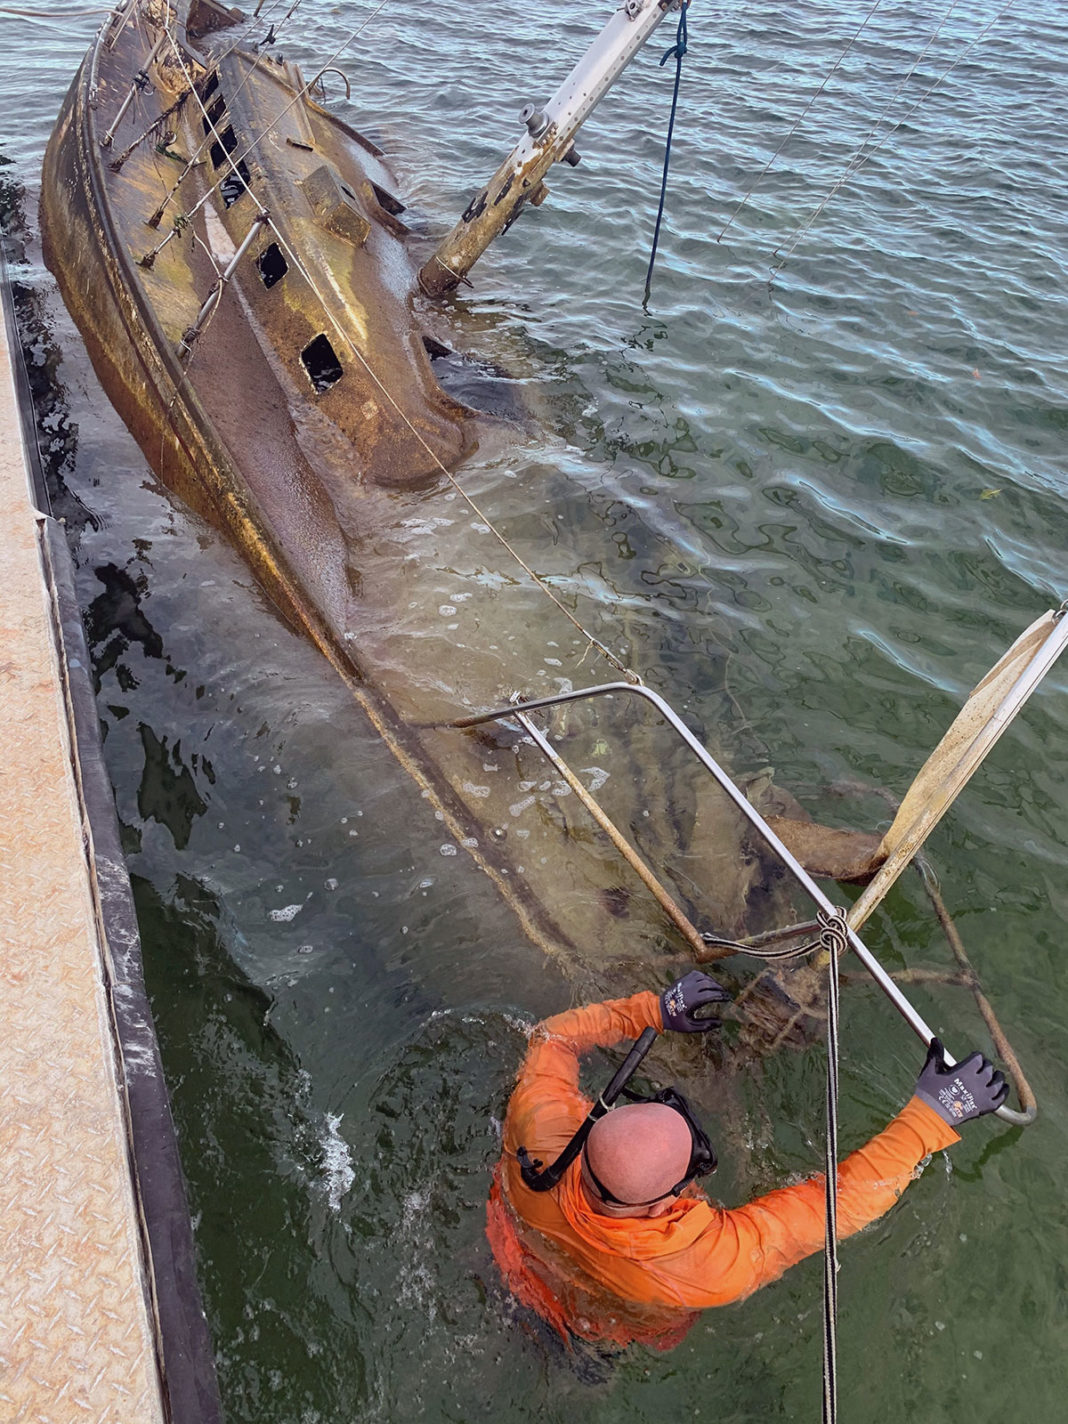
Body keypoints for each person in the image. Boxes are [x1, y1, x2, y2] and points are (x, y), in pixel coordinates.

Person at [487, 970, 1008, 1351]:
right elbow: (835, 1208)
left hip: (512, 1254)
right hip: (608, 1326)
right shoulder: (709, 1266)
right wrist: (933, 1117)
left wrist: (651, 1012)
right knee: (601, 1345)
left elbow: (551, 1038)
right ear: (658, 1207)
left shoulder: (542, 1132)